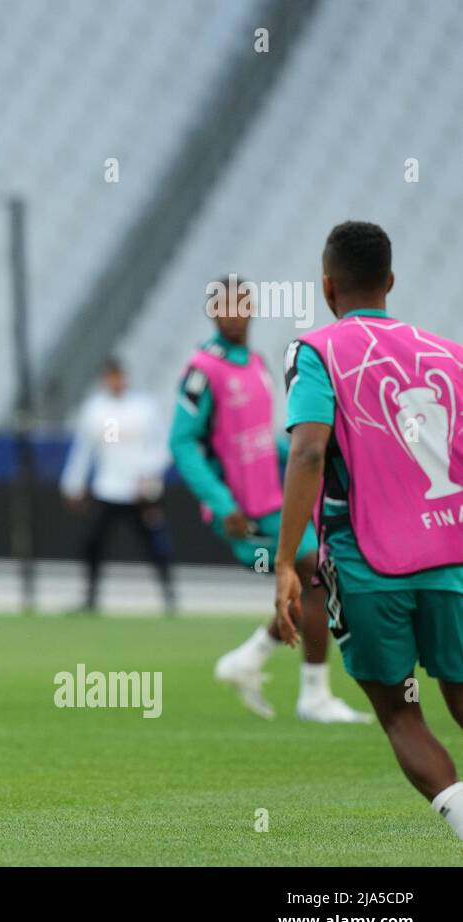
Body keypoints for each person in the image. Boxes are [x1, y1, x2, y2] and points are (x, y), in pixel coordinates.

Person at [276, 221, 463, 839]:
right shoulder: (449, 354)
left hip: (367, 563)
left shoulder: (317, 352)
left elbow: (308, 453)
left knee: (402, 711)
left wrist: (283, 561)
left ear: (327, 286)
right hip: (452, 555)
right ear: (390, 280)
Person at [171, 277, 366, 723]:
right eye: (224, 307)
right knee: (317, 577)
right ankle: (309, 692)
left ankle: (251, 660)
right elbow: (181, 443)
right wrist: (221, 505)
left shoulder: (257, 364)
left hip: (275, 503)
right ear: (213, 312)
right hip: (244, 514)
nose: (233, 314)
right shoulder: (203, 371)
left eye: (241, 305)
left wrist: (314, 455)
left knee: (313, 582)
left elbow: (262, 440)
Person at [60, 357, 174, 614]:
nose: (115, 382)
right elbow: (84, 449)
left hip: (139, 492)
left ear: (125, 377)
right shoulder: (94, 409)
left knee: (155, 544)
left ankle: (168, 597)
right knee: (92, 543)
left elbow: (163, 445)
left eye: (118, 376)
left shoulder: (144, 408)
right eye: (110, 377)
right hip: (107, 488)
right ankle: (90, 597)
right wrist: (73, 483)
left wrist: (148, 473)